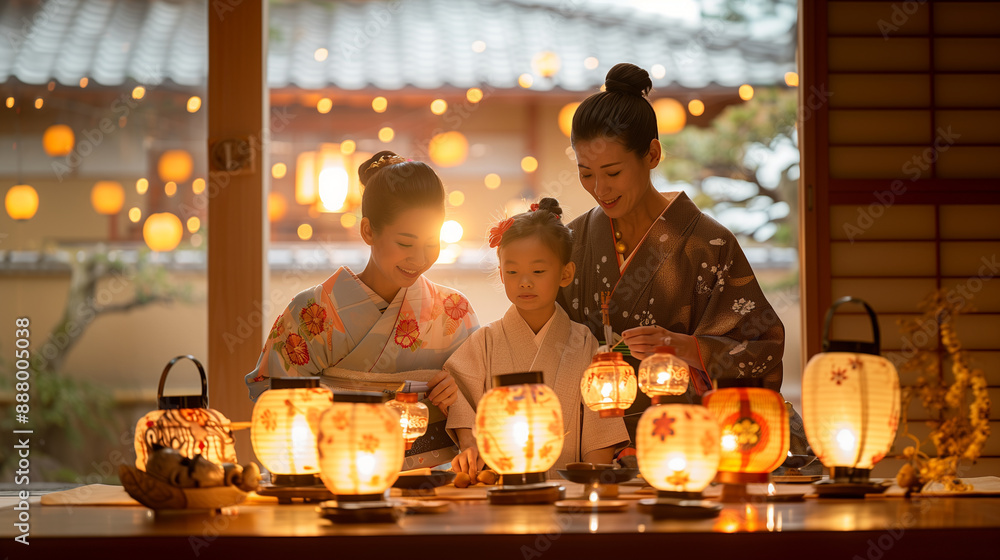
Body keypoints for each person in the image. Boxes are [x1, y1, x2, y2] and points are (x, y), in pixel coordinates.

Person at [560, 62, 795, 451]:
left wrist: (682, 346)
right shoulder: (574, 240)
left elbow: (762, 348)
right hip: (591, 443)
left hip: (686, 441)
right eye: (586, 174)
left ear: (652, 154)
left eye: (612, 172)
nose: (599, 188)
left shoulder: (708, 243)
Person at [245, 151, 479, 467]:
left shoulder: (454, 311)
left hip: (435, 476)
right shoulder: (312, 312)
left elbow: (480, 399)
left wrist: (457, 397)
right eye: (406, 244)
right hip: (339, 470)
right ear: (368, 231)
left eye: (431, 243)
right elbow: (272, 395)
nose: (420, 258)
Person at [445, 198, 628, 477]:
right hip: (499, 486)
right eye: (513, 271)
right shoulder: (485, 342)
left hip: (566, 487)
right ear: (501, 275)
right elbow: (456, 393)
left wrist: (593, 480)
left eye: (538, 271)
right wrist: (469, 444)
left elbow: (598, 427)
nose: (525, 282)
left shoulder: (583, 342)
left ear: (565, 273)